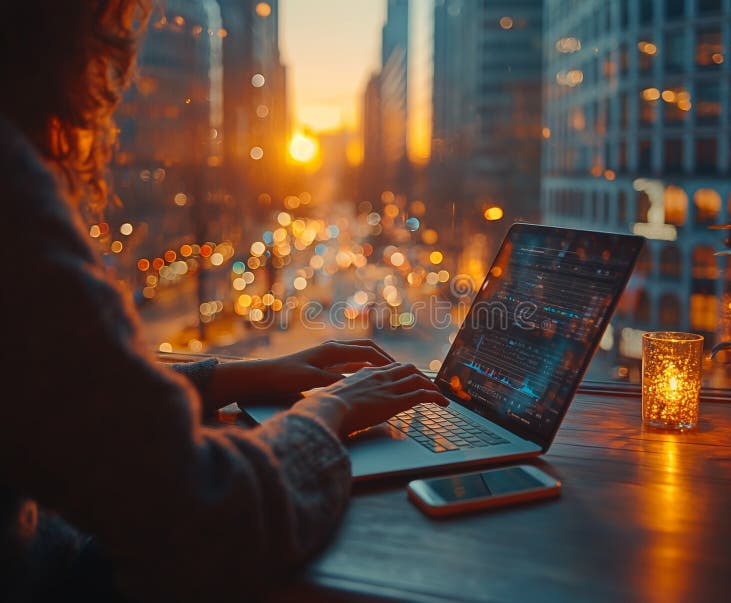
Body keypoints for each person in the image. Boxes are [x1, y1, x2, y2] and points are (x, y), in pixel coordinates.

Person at [0, 2, 449, 602]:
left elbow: (58, 394)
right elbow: (210, 510)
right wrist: (329, 411)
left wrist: (231, 376)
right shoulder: (13, 195)